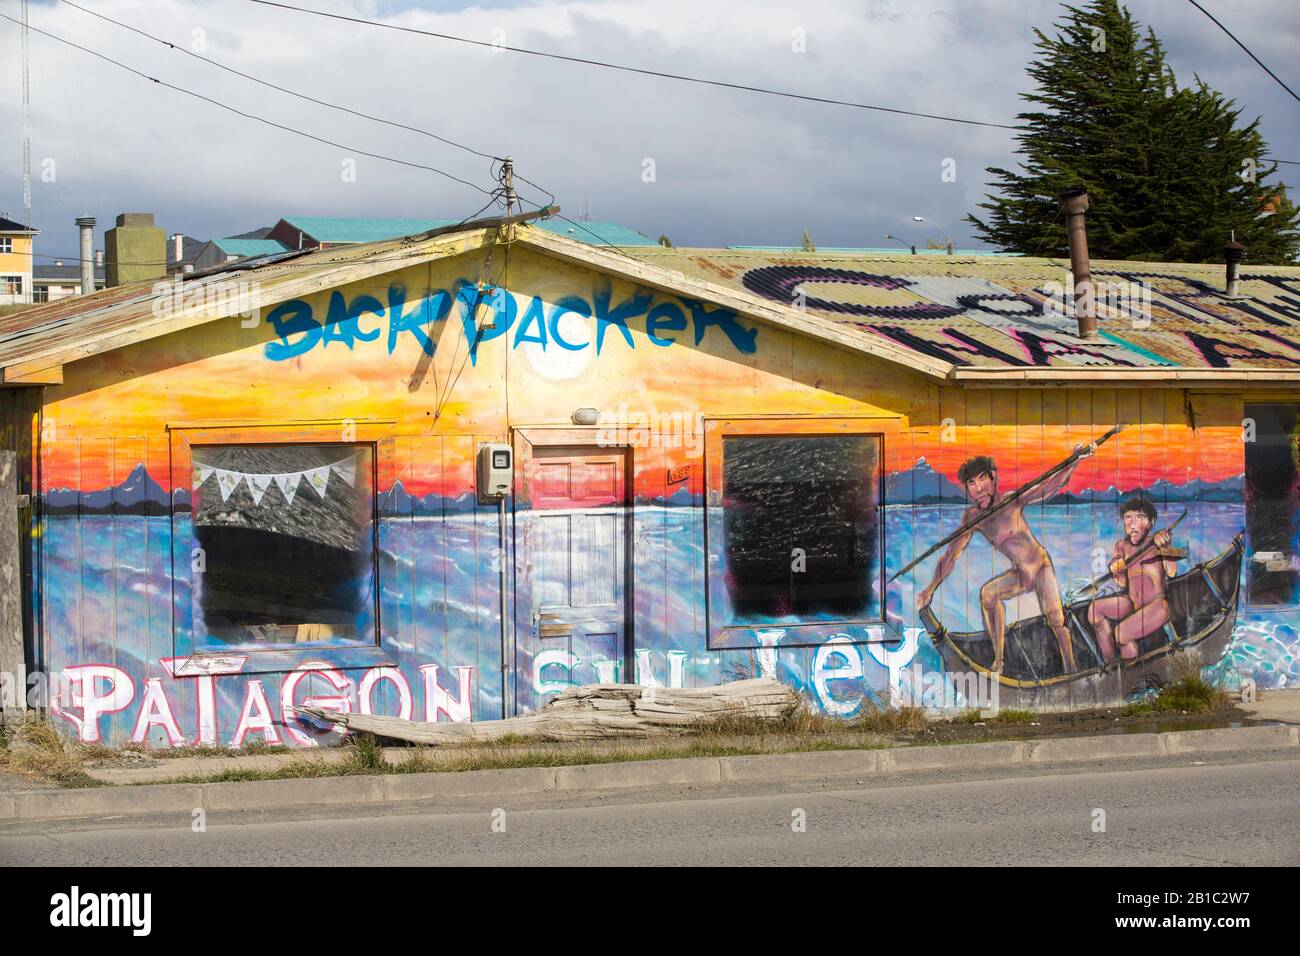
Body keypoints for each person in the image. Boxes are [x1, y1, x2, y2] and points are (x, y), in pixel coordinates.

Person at [916, 444, 1094, 673]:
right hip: (1021, 574)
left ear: (994, 478)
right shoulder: (972, 518)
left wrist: (1074, 459)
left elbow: (1049, 487)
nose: (979, 489)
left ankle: (1071, 670)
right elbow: (950, 556)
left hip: (1040, 567)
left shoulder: (1011, 501)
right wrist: (930, 589)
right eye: (971, 483)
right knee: (988, 595)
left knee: (1056, 622)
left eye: (983, 479)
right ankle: (999, 661)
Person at [1088, 497, 1182, 663]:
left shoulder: (1158, 542)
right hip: (1133, 603)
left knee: (1121, 634)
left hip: (1157, 606)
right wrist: (1115, 568)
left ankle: (1130, 669)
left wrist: (1166, 547)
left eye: (1139, 517)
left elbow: (1172, 572)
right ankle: (1111, 663)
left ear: (1150, 522)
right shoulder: (1121, 546)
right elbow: (1122, 583)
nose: (1132, 524)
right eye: (1127, 518)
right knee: (1094, 609)